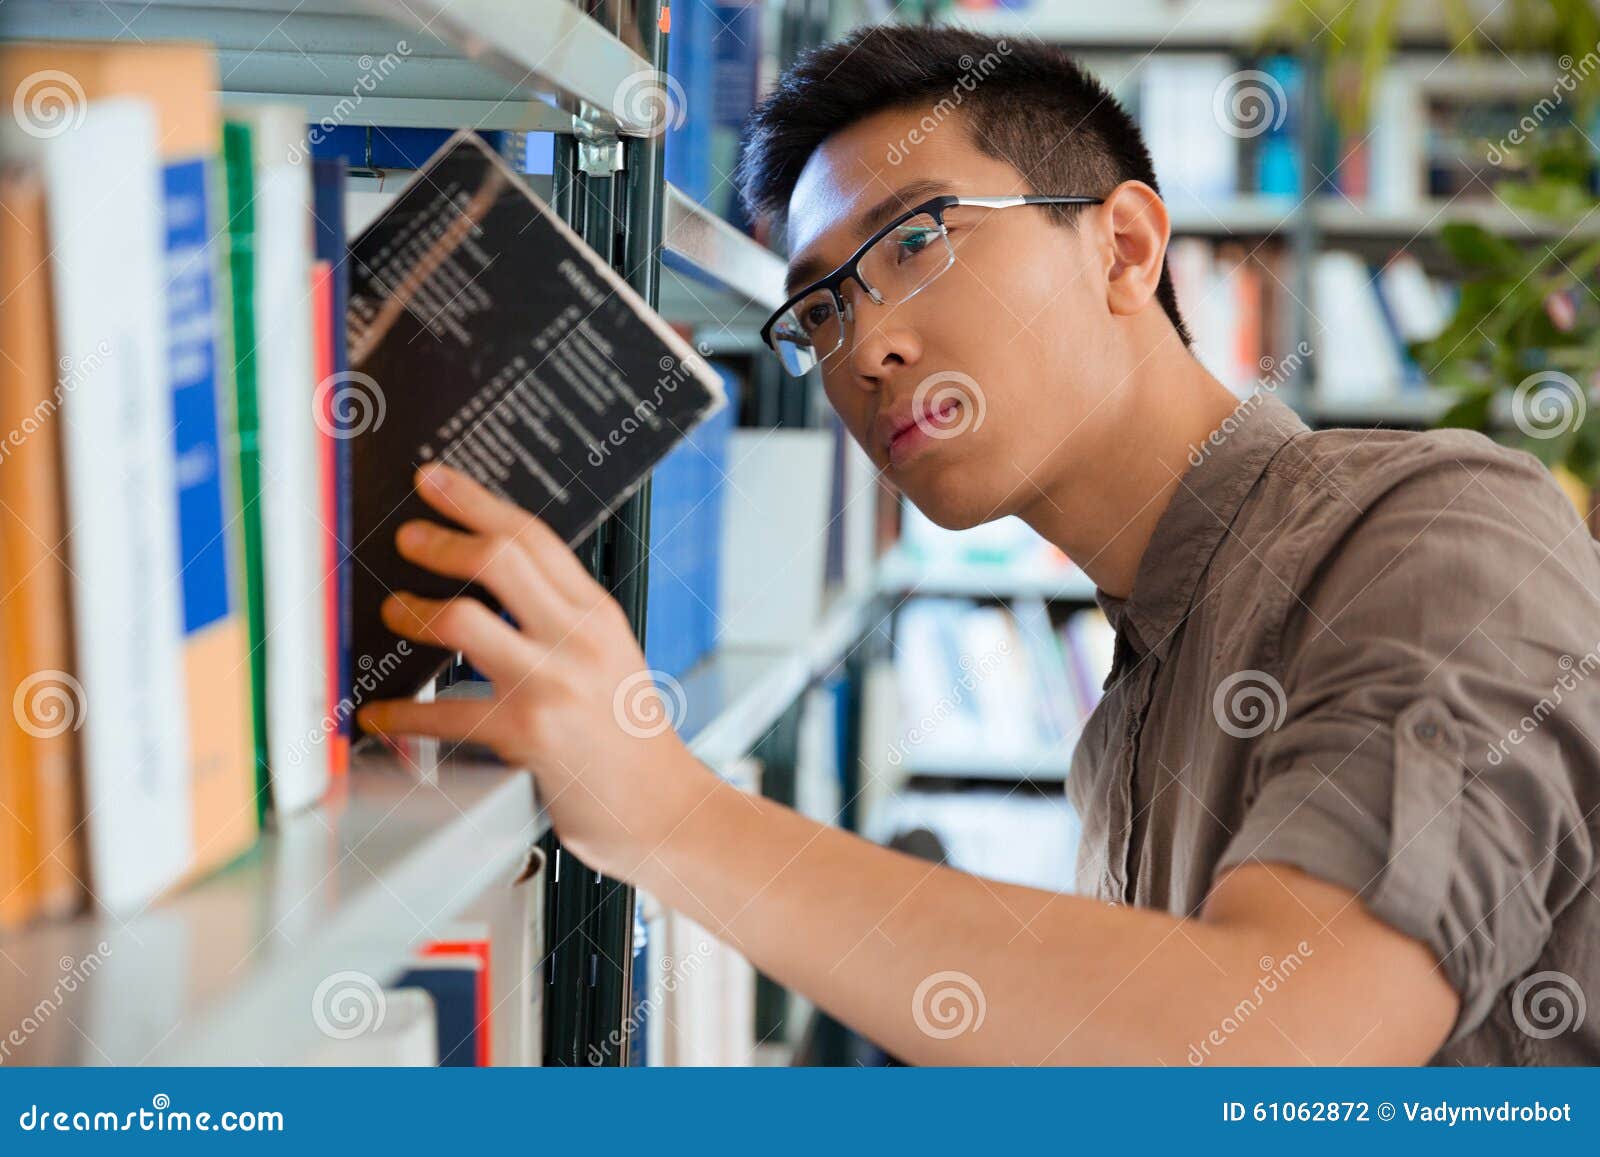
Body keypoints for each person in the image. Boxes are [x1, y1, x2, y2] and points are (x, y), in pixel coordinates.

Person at [359, 25, 1600, 1065]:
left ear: (1123, 247)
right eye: (820, 307)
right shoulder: (1129, 709)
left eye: (915, 239)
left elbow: (1287, 1039)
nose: (865, 349)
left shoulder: (1440, 527)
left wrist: (663, 809)